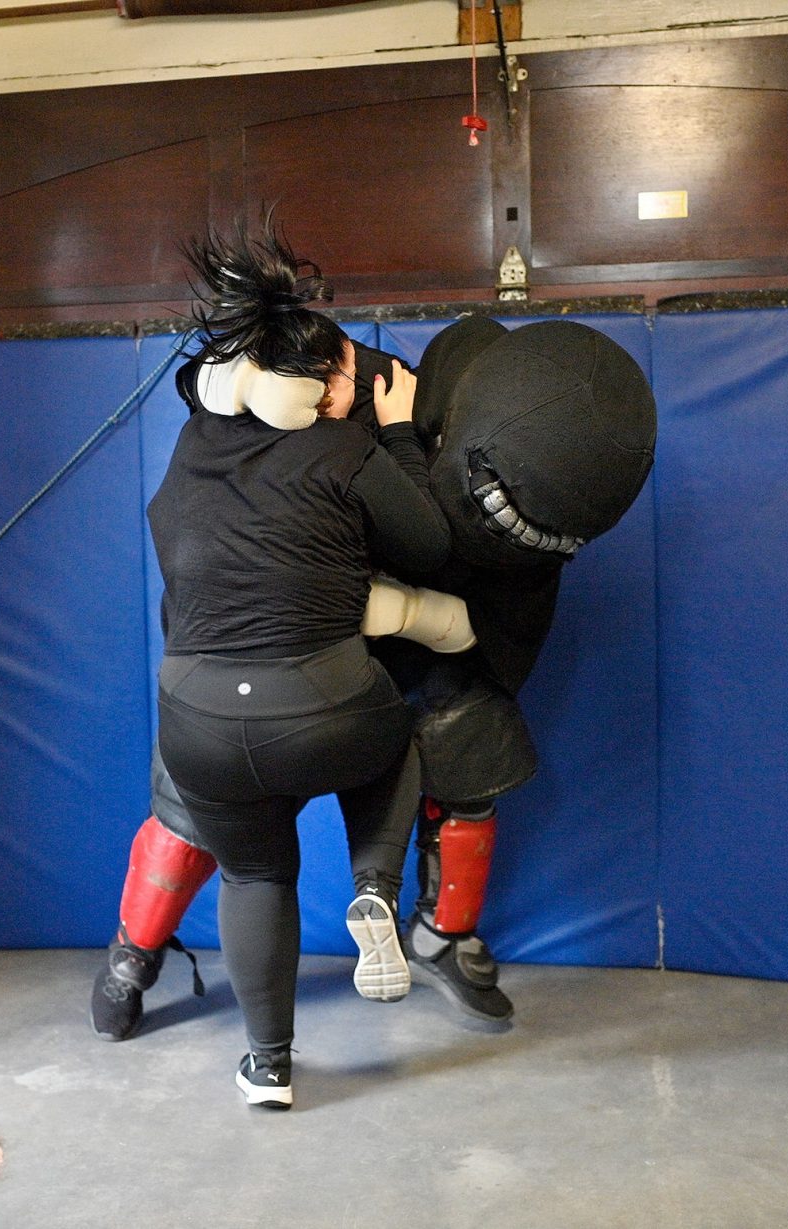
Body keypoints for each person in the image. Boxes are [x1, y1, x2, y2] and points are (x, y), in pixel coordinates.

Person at [94, 312, 657, 1036]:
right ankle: (133, 950)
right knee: (195, 800)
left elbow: (491, 639)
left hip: (409, 648)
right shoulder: (334, 384)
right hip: (272, 640)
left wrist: (413, 621)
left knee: (474, 741)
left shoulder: (534, 542)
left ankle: (438, 933)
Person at [142, 222, 451, 1108]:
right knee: (390, 735)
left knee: (253, 873)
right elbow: (428, 545)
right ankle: (376, 892)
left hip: (195, 720)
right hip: (319, 709)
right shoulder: (345, 446)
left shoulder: (193, 442)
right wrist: (396, 434)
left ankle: (268, 1064)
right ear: (321, 384)